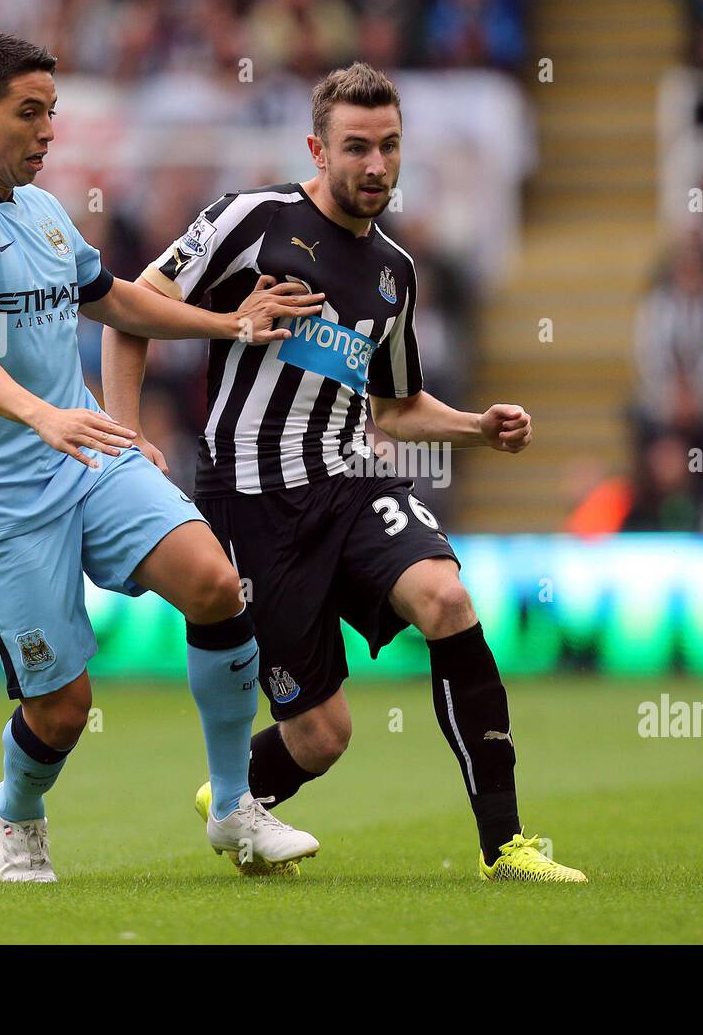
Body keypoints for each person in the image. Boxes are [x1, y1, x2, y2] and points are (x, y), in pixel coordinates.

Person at [102, 62, 586, 882]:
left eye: (389, 147)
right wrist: (127, 431)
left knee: (447, 597)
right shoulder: (252, 220)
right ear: (317, 150)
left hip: (352, 480)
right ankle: (236, 796)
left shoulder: (395, 270)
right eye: (356, 147)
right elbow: (127, 308)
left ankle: (505, 846)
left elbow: (395, 408)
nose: (375, 166)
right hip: (252, 504)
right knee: (322, 738)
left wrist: (476, 428)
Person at [0, 30, 324, 882]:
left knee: (212, 581)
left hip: (86, 454)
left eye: (54, 111)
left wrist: (230, 323)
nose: (49, 130)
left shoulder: (43, 211)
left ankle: (235, 807)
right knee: (62, 710)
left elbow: (117, 302)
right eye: (29, 112)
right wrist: (40, 414)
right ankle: (15, 811)